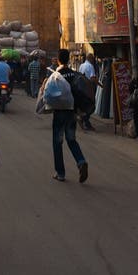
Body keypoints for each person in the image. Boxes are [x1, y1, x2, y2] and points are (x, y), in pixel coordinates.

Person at [51, 48, 88, 183]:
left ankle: (60, 173)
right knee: (71, 140)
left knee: (57, 142)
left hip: (60, 112)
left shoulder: (56, 75)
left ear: (59, 60)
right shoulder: (73, 74)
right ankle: (81, 161)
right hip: (72, 112)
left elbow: (50, 95)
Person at [78, 52, 99, 131]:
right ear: (90, 59)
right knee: (92, 106)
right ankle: (83, 119)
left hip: (81, 88)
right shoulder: (90, 66)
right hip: (89, 88)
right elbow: (92, 78)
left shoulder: (81, 65)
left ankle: (86, 122)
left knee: (85, 106)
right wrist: (99, 84)